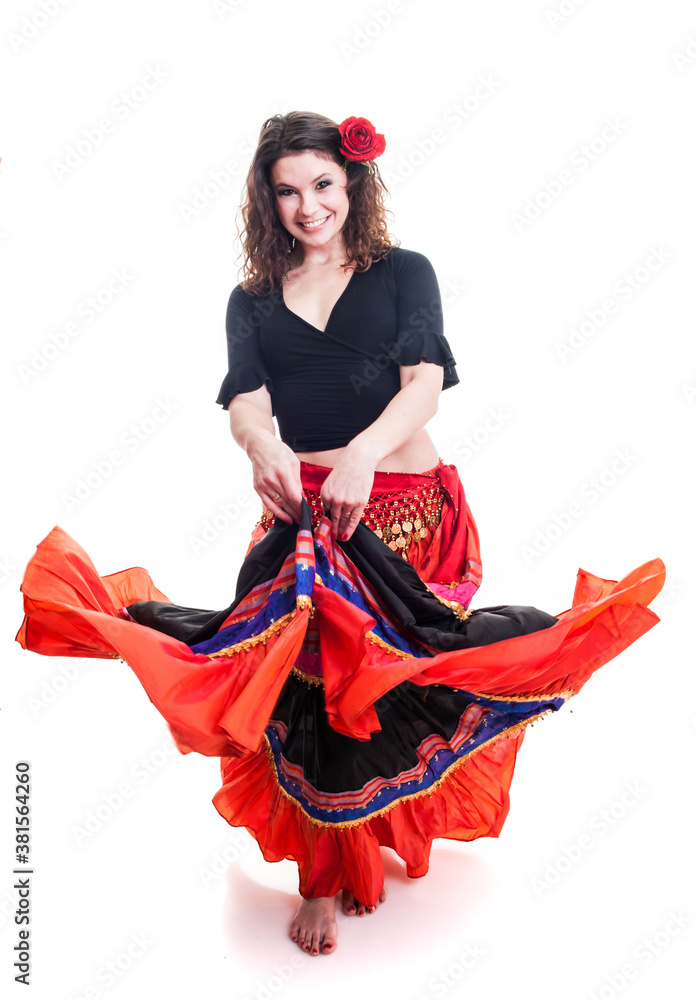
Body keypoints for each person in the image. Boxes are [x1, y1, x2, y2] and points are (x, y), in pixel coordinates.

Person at [16, 111, 666, 960]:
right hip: (304, 514)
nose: (307, 205)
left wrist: (363, 453)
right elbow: (246, 402)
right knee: (310, 689)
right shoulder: (250, 300)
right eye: (286, 191)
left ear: (352, 181)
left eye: (321, 183)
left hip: (402, 509)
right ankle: (322, 873)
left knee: (388, 684)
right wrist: (261, 447)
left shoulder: (404, 272)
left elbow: (425, 385)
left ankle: (369, 832)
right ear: (267, 202)